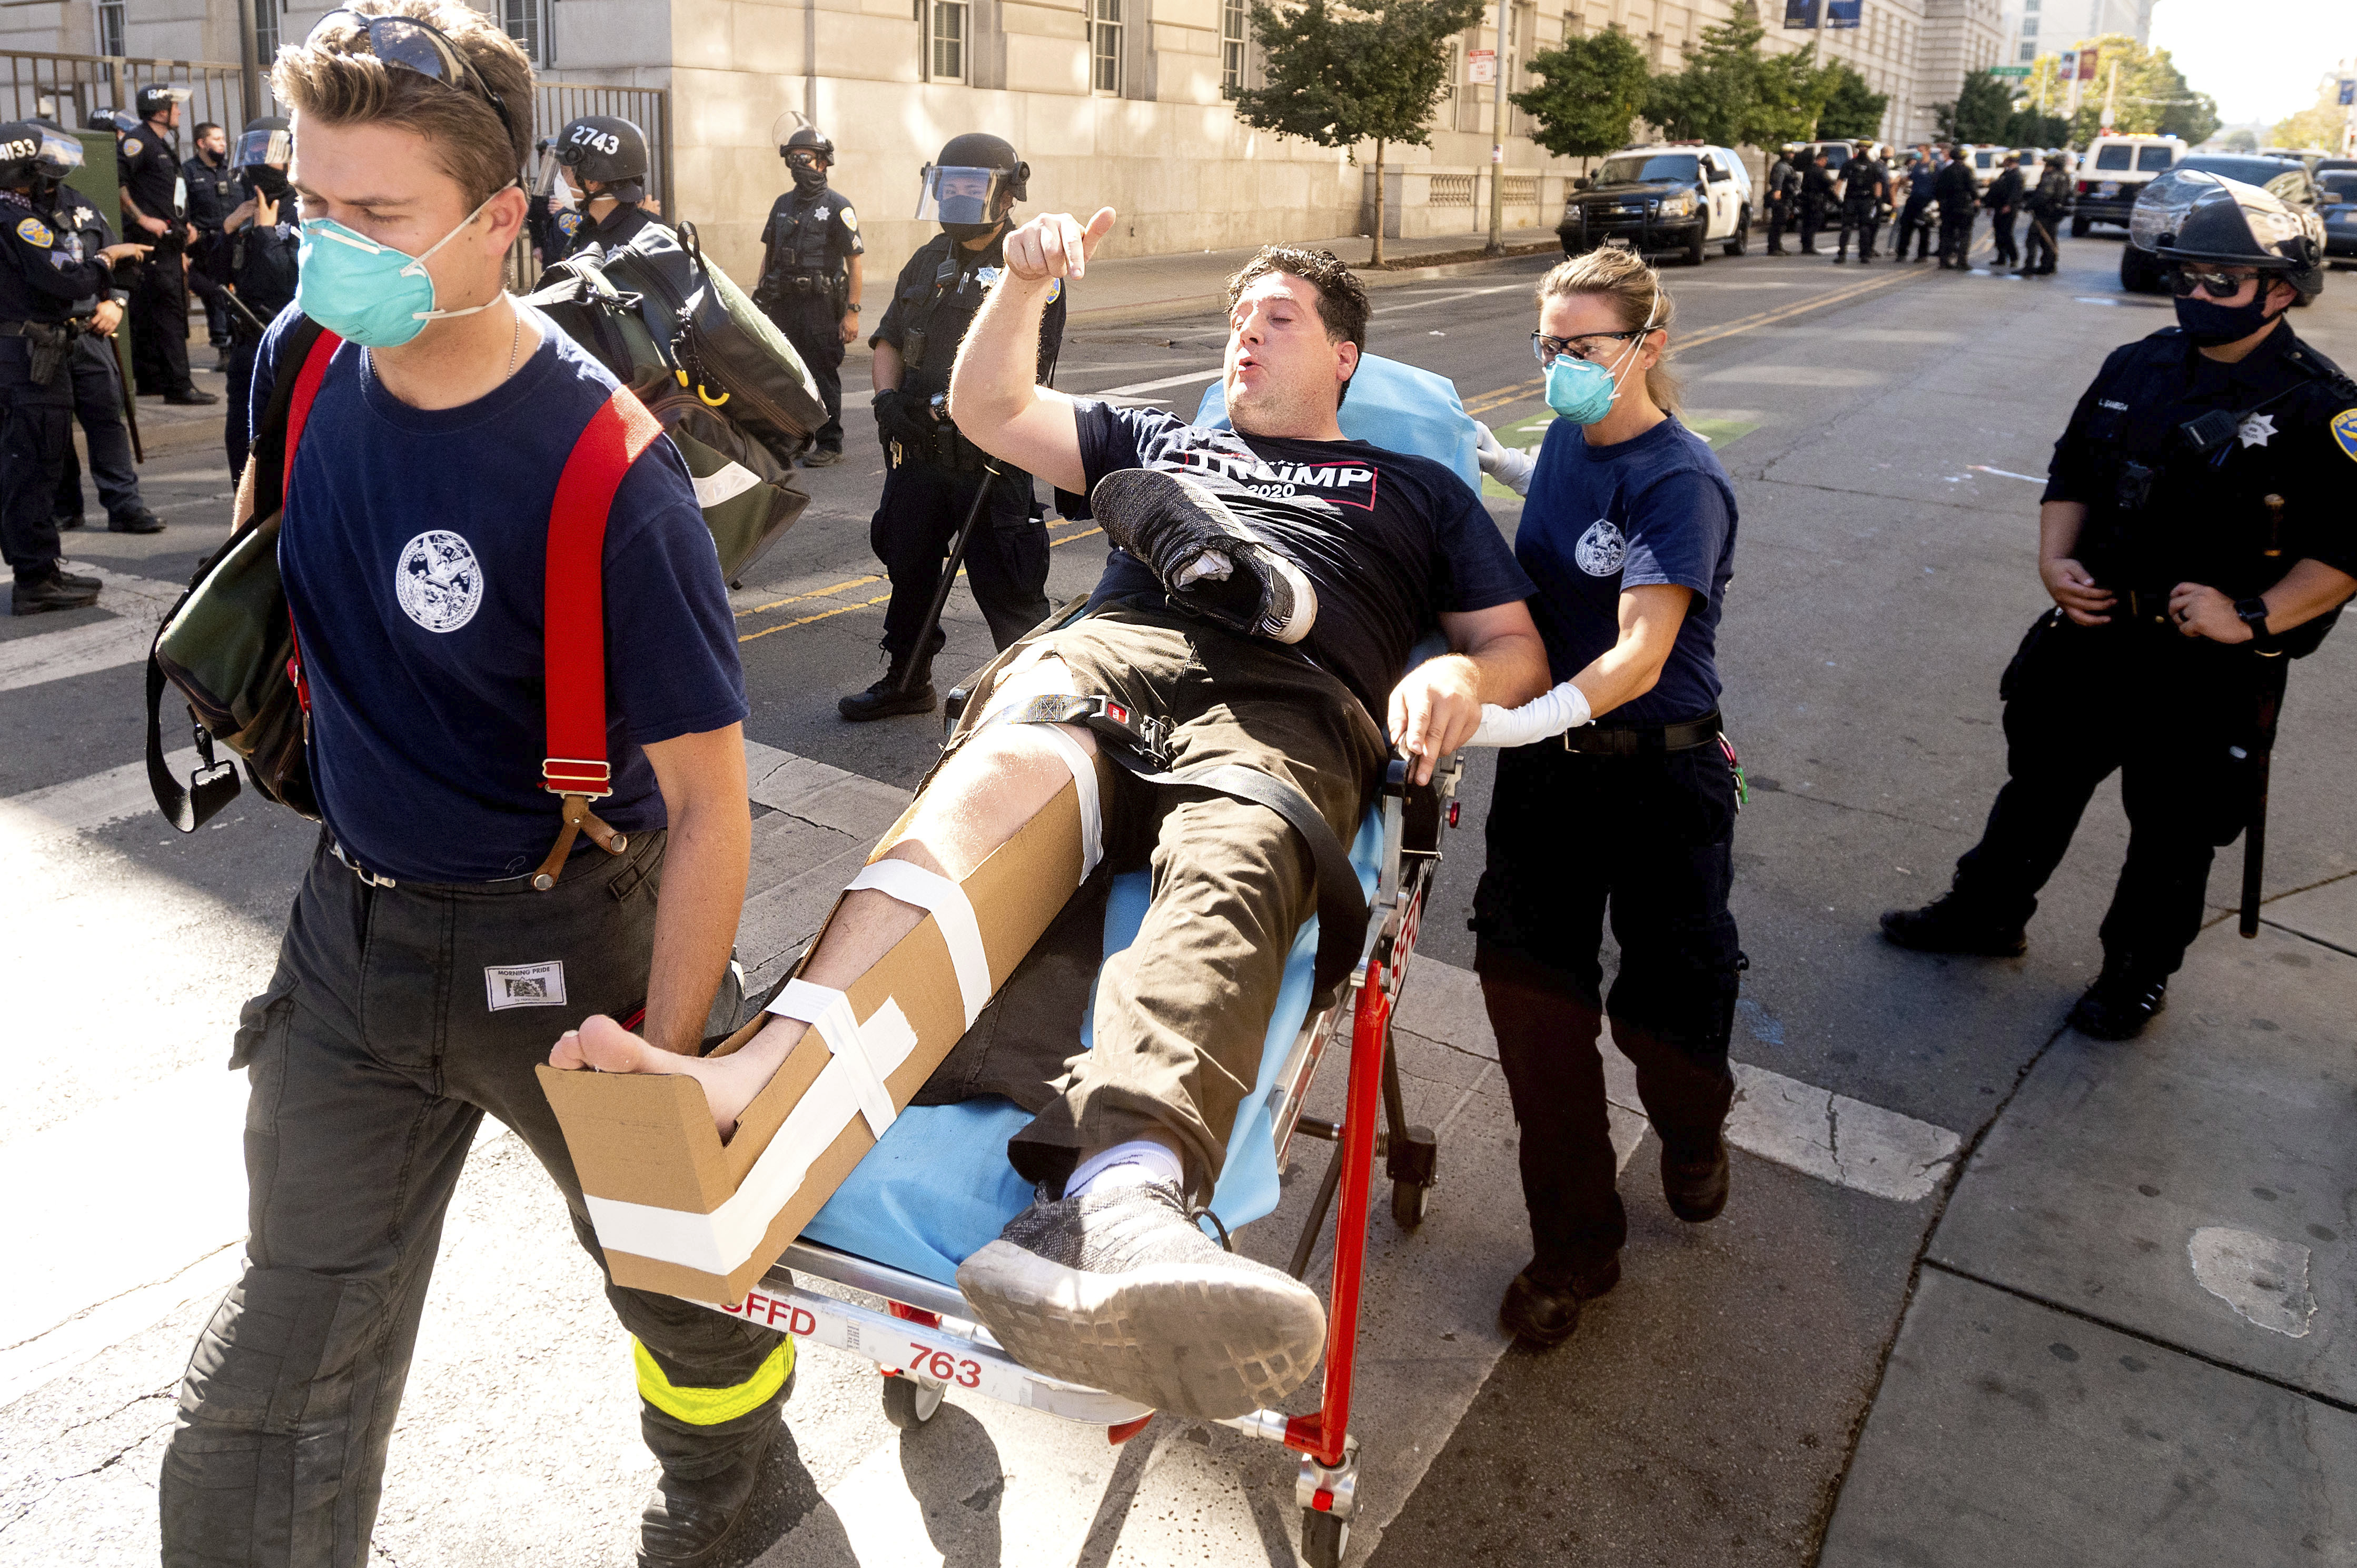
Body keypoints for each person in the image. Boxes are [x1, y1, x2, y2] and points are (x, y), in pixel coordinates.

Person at [553, 223, 1550, 1422]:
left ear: (1344, 357)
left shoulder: (1420, 491)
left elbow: (1510, 642)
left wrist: (1457, 682)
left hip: (1295, 698)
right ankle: (756, 1072)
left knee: (1238, 847)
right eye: (1239, 316)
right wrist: (1023, 280)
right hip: (1112, 658)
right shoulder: (1165, 436)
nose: (1248, 328)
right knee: (989, 788)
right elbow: (988, 406)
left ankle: (1119, 1202)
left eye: (1279, 316)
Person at [154, 9, 788, 1566]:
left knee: (673, 1273)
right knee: (276, 1357)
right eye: (309, 205)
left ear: (499, 219)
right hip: (349, 942)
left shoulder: (605, 475)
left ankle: (733, 1483)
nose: (328, 248)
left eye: (377, 218)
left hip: (574, 944)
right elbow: (280, 563)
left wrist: (666, 1053)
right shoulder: (300, 362)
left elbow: (713, 807)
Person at [1880, 175, 2356, 1040]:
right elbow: (2072, 472)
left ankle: (2137, 970)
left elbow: (2346, 553)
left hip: (2204, 663)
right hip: (2094, 632)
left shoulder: (2323, 407)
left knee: (2173, 832)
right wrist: (2053, 559)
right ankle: (1985, 912)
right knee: (2037, 787)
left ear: (2282, 290)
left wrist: (2248, 617)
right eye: (2186, 276)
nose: (2196, 293)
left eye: (2222, 280)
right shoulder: (2135, 365)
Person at [1464, 246, 1743, 1346]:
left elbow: (1637, 653)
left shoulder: (1682, 480)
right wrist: (1496, 462)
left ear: (1647, 347)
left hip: (1658, 777)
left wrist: (1522, 719)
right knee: (1535, 1010)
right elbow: (1565, 501)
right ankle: (1577, 1246)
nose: (1560, 366)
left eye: (1581, 347)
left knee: (1663, 1017)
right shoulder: (1576, 441)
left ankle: (1691, 1127)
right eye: (1549, 345)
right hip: (1549, 785)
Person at [840, 131, 1057, 721]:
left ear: (1007, 193)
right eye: (951, 186)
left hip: (988, 457)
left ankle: (1036, 704)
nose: (959, 198)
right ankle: (907, 679)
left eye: (972, 187)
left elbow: (1029, 371)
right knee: (909, 567)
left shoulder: (1028, 267)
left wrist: (958, 412)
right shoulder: (928, 258)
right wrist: (886, 400)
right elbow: (888, 338)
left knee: (1008, 586)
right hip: (918, 454)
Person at [0, 120, 150, 614]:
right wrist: (108, 258)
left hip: (24, 355)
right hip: (28, 358)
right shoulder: (19, 218)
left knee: (30, 463)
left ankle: (39, 568)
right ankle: (36, 579)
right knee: (33, 467)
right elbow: (67, 279)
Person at [43, 127, 165, 539]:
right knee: (51, 428)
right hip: (42, 337)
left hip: (90, 334)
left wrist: (116, 303)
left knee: (106, 422)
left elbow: (122, 261)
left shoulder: (83, 207)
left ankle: (125, 506)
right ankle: (65, 507)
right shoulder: (14, 213)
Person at [754, 121, 863, 467]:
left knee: (822, 372)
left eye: (807, 157)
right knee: (786, 372)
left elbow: (855, 263)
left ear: (824, 162)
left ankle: (830, 443)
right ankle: (792, 437)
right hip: (783, 302)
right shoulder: (783, 204)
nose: (800, 164)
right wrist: (759, 298)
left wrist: (853, 312)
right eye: (795, 157)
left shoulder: (838, 206)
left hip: (820, 305)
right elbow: (768, 255)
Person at [117, 81, 217, 405]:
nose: (178, 112)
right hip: (152, 245)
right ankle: (179, 386)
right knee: (169, 315)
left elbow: (168, 192)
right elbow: (117, 182)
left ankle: (154, 381)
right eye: (174, 107)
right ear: (160, 111)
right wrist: (142, 219)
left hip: (171, 243)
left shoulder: (161, 143)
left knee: (157, 313)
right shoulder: (138, 142)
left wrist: (183, 222)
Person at [217, 116, 299, 477]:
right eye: (255, 153)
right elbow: (214, 276)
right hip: (248, 342)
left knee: (285, 448)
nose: (261, 163)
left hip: (289, 342)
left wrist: (266, 233)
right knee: (242, 442)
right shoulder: (247, 205)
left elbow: (291, 282)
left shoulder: (305, 208)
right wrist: (228, 230)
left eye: (270, 154)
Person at [543, 112, 665, 259]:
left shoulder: (652, 240)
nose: (560, 179)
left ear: (592, 182)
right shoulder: (586, 232)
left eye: (565, 171)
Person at [183, 119, 238, 368]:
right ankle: (223, 347)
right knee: (215, 294)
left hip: (234, 241)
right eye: (216, 139)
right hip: (205, 245)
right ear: (201, 144)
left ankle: (237, 343)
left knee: (237, 295)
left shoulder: (234, 171)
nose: (222, 144)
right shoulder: (188, 173)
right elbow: (180, 208)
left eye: (223, 139)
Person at [1834, 141, 1888, 263]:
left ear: (1869, 149)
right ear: (1858, 149)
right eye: (1862, 147)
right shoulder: (1850, 164)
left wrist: (1878, 199)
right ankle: (1842, 254)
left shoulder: (1873, 166)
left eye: (1865, 147)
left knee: (1865, 228)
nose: (1863, 149)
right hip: (1852, 199)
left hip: (1866, 199)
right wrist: (1836, 196)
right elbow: (1840, 180)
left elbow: (1877, 183)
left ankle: (1864, 254)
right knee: (1847, 228)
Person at [2019, 152, 2071, 276]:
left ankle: (2029, 267)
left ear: (2052, 165)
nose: (2045, 166)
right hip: (2056, 213)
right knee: (2049, 240)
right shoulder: (2065, 176)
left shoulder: (2051, 177)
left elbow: (2044, 195)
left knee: (2032, 240)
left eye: (2047, 164)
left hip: (2044, 213)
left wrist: (2029, 205)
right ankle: (2048, 266)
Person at [1935, 143, 1977, 271]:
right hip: (1963, 206)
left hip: (1948, 207)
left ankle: (1944, 261)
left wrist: (1942, 203)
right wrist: (1977, 200)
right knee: (1965, 234)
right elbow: (1972, 188)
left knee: (1947, 234)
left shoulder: (1946, 171)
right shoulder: (1967, 171)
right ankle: (1962, 261)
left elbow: (1938, 189)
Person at [1895, 150, 1938, 263]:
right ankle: (1902, 253)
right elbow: (1907, 180)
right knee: (1906, 227)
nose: (1918, 153)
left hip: (1926, 201)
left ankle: (1922, 255)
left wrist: (1935, 201)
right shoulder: (1915, 166)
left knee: (1924, 228)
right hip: (1913, 200)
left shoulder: (1933, 166)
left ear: (1927, 152)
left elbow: (1937, 182)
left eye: (1921, 151)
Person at [1984, 152, 2024, 270]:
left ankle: (2014, 258)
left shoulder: (2017, 175)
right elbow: (1996, 190)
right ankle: (2001, 258)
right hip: (1999, 207)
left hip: (2009, 209)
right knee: (1998, 233)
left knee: (2007, 234)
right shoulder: (2005, 174)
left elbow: (2016, 193)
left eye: (2007, 160)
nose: (2004, 162)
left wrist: (2009, 205)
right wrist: (1989, 205)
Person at [1797, 149, 1834, 255]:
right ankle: (1809, 246)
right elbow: (1828, 184)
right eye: (1825, 161)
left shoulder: (1808, 170)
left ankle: (1805, 246)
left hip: (1806, 200)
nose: (1826, 163)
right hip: (1816, 201)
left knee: (1806, 224)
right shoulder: (1821, 172)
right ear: (1820, 160)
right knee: (1814, 223)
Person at [1763, 145, 1795, 255]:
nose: (1792, 155)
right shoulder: (1781, 167)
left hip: (1786, 199)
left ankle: (1778, 246)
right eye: (1790, 153)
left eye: (1792, 153)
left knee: (1782, 224)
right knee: (1777, 224)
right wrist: (1778, 193)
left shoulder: (1786, 166)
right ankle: (1773, 248)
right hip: (1781, 199)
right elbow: (1778, 182)